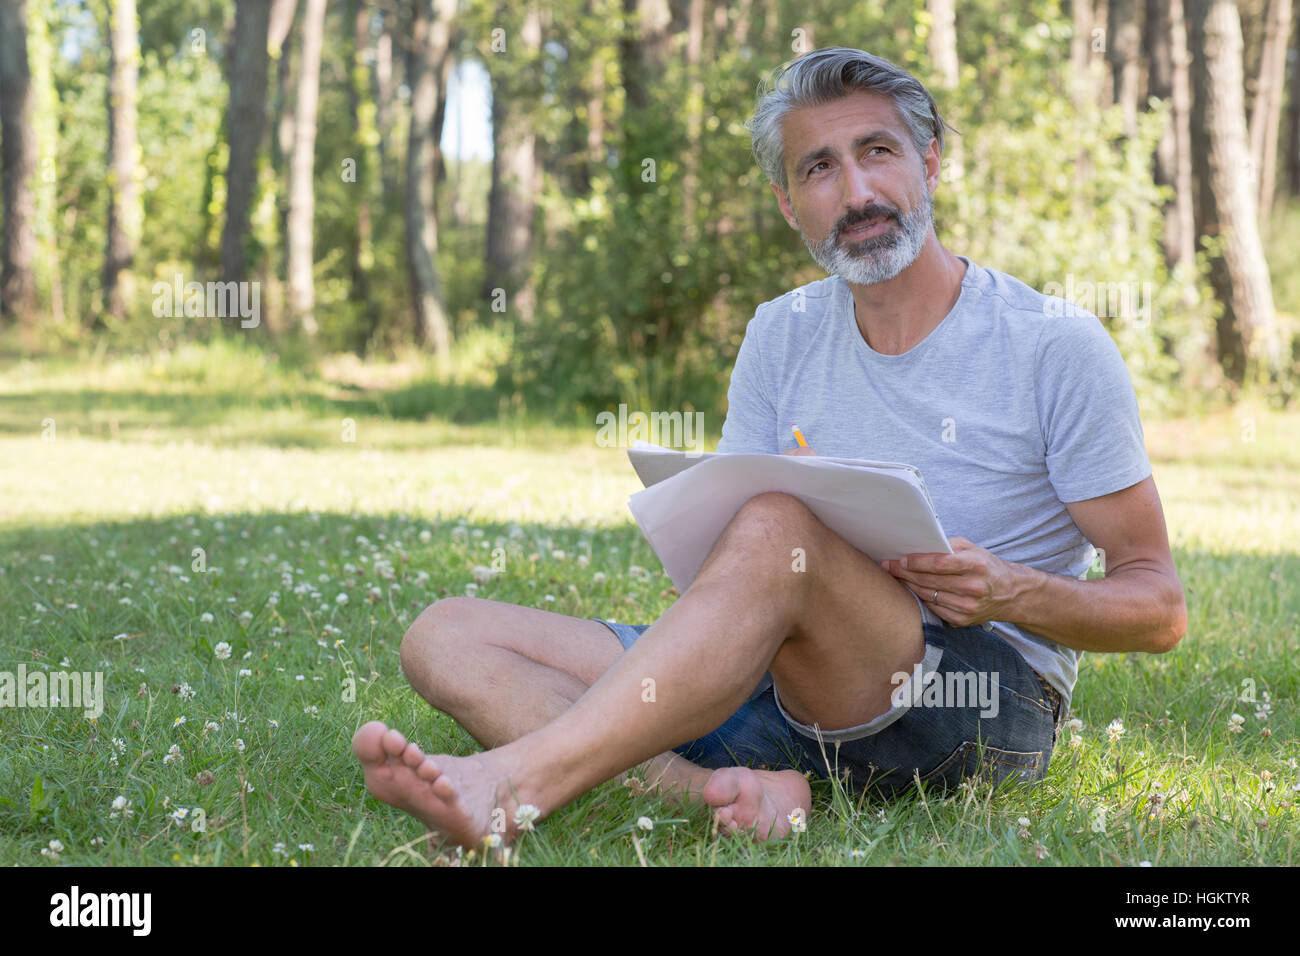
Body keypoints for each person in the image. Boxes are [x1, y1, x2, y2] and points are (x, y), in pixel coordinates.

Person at [352, 47, 1187, 848]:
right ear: (790, 202)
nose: (857, 191)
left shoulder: (1054, 345)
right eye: (819, 168)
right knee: (447, 634)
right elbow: (734, 543)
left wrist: (1010, 590)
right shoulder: (780, 332)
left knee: (779, 522)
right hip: (787, 672)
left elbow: (1159, 610)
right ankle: (733, 792)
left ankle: (515, 785)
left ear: (929, 163)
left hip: (972, 695)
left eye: (877, 152)